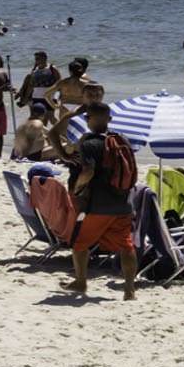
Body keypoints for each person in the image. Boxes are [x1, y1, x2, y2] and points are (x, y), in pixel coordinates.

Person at [61, 104, 138, 300]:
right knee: (126, 247)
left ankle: (80, 282)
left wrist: (78, 187)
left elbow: (88, 171)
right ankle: (129, 291)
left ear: (88, 119)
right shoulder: (122, 141)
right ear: (109, 120)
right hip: (122, 202)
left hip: (97, 205)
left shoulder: (90, 144)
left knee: (79, 243)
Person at [46, 58, 92, 124]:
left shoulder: (63, 82)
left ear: (70, 71)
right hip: (79, 107)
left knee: (64, 131)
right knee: (79, 130)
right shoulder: (85, 83)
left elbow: (46, 94)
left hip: (65, 107)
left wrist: (54, 106)